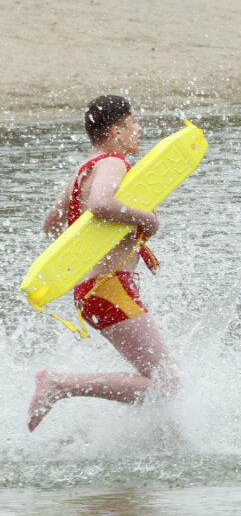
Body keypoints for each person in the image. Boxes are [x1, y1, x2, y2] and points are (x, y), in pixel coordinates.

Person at [28, 95, 181, 432]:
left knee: (155, 379)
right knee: (166, 382)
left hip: (91, 288)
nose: (139, 129)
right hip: (110, 286)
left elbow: (52, 224)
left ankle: (166, 445)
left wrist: (91, 248)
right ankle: (61, 384)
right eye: (132, 123)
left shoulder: (84, 169)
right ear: (115, 130)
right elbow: (100, 204)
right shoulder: (114, 162)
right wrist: (146, 219)